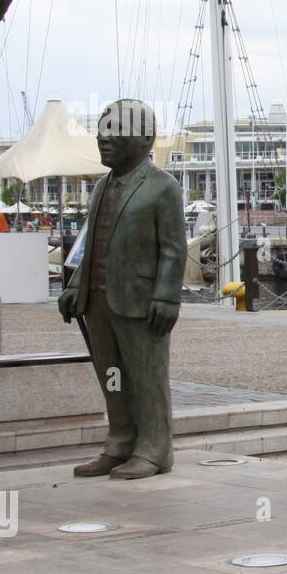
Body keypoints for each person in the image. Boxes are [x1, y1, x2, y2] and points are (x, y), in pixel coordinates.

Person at [59, 99, 186, 480]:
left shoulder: (163, 187)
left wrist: (166, 296)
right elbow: (92, 244)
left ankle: (154, 449)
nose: (103, 139)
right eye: (101, 131)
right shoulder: (101, 186)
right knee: (112, 375)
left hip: (139, 303)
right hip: (97, 301)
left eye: (114, 131)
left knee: (146, 377)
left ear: (145, 138)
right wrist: (76, 286)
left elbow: (174, 249)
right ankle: (119, 441)